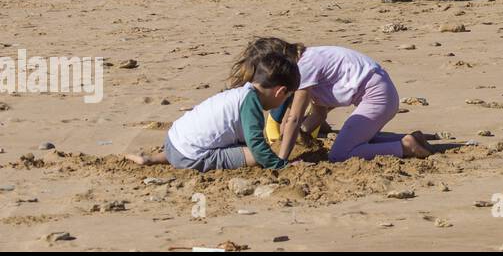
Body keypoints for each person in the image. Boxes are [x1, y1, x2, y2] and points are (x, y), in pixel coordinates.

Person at [230, 38, 434, 162]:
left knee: (340, 154)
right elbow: (319, 113)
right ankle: (411, 139)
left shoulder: (304, 66)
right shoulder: (310, 62)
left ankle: (405, 147)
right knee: (355, 141)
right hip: (381, 93)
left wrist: (282, 159)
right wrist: (303, 136)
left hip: (377, 96)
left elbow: (293, 118)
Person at [127, 53, 299, 171]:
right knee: (255, 156)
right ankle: (171, 161)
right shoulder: (251, 104)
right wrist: (280, 166)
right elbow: (256, 144)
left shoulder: (240, 93)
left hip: (173, 142)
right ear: (280, 92)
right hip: (190, 157)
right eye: (287, 97)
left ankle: (151, 160)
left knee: (214, 141)